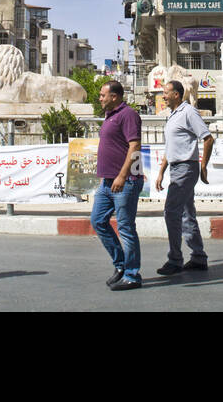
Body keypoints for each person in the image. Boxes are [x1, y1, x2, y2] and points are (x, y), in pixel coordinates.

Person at [154, 81, 214, 276]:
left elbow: (207, 138)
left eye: (166, 93)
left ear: (177, 95)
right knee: (187, 214)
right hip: (175, 167)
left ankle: (175, 259)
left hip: (186, 168)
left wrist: (203, 165)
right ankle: (198, 257)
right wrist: (162, 171)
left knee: (171, 212)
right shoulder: (172, 116)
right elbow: (170, 147)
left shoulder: (188, 112)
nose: (163, 96)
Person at [91, 80, 144, 291]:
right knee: (98, 221)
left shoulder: (128, 115)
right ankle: (121, 264)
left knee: (126, 228)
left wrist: (122, 176)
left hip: (125, 181)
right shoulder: (109, 116)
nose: (100, 98)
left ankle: (132, 275)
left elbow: (135, 145)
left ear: (114, 96)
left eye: (103, 95)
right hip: (107, 182)